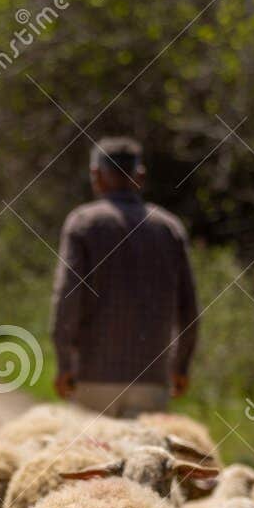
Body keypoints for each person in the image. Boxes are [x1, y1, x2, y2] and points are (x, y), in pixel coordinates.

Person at [48, 135, 199, 417]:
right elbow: (189, 309)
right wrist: (180, 366)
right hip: (152, 378)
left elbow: (67, 298)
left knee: (93, 457)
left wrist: (64, 363)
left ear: (96, 175)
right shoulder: (169, 228)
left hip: (93, 376)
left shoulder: (83, 223)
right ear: (139, 176)